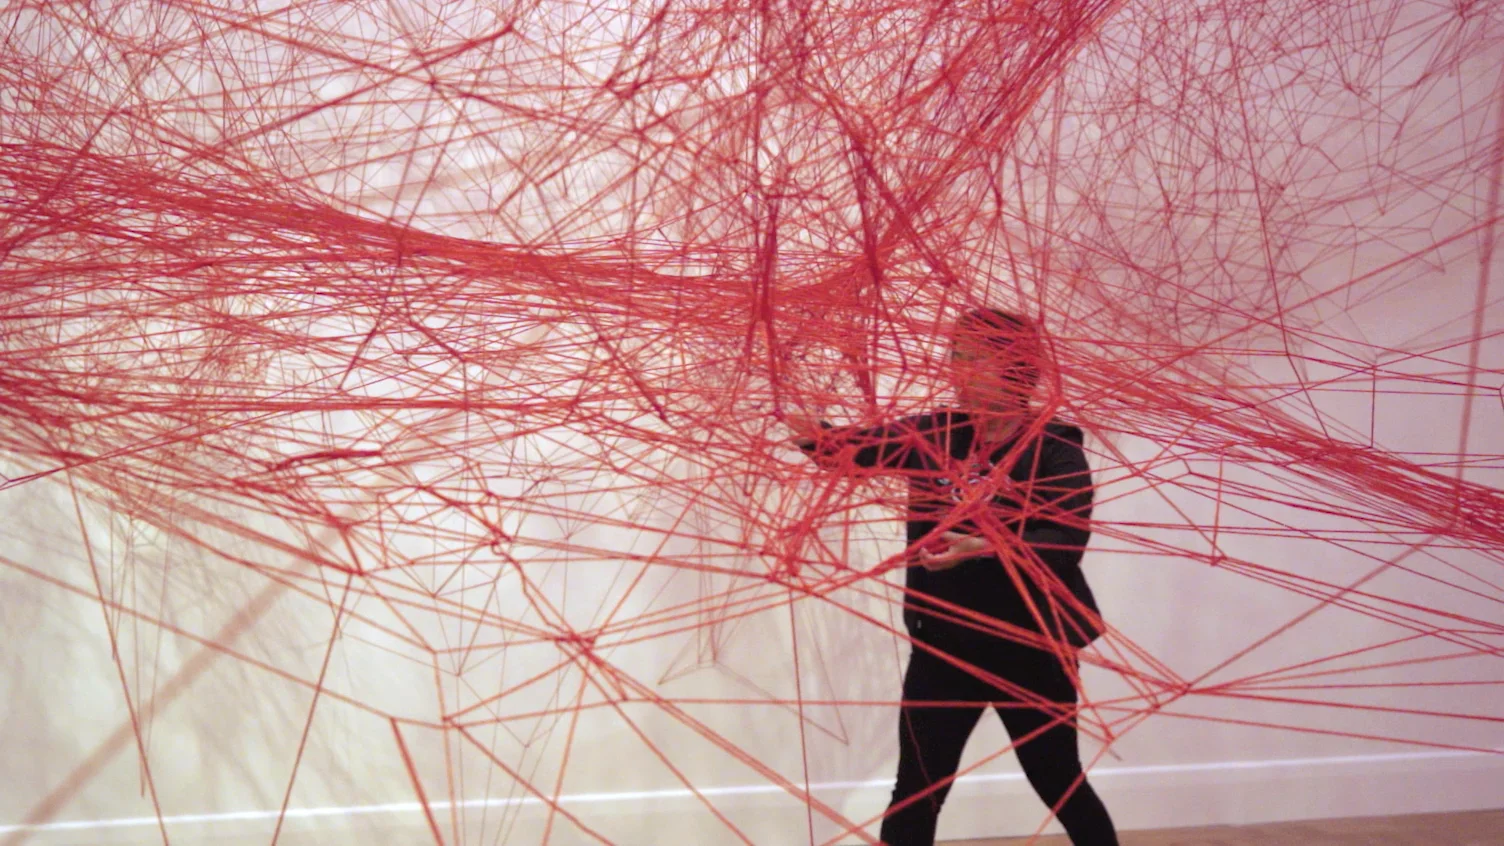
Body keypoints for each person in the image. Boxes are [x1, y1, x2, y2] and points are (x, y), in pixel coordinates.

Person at [786, 308, 1118, 846]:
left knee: (1057, 778)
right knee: (917, 787)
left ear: (1015, 367)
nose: (956, 368)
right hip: (944, 644)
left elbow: (1063, 540)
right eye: (954, 354)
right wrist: (806, 424)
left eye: (972, 357)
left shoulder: (1054, 446)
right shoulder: (935, 433)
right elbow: (845, 451)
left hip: (1030, 646)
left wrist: (983, 546)